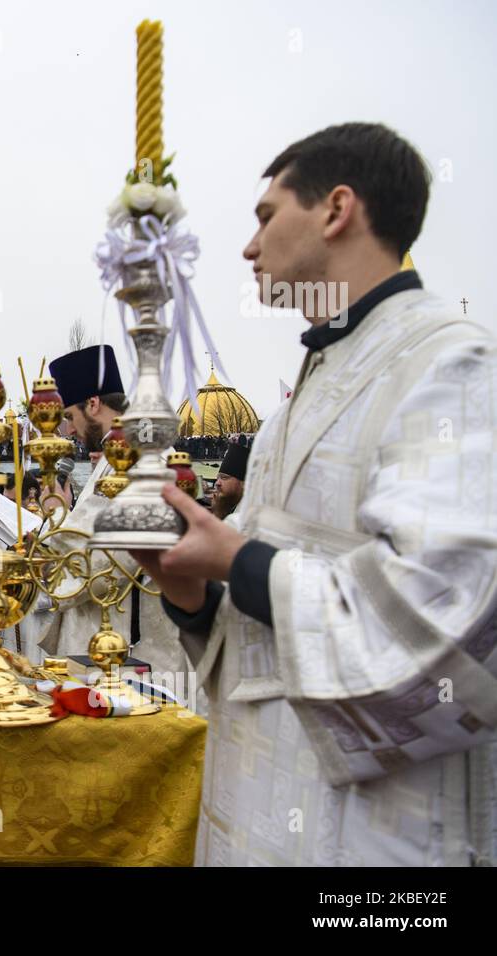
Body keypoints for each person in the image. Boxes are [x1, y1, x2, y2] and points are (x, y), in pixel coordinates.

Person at [134, 122, 497, 866]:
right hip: (264, 806)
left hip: (376, 839)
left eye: (267, 216)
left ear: (335, 210)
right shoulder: (307, 392)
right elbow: (272, 631)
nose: (248, 245)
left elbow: (447, 625)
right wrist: (192, 593)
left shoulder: (453, 365)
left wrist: (238, 560)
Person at [35, 344, 187, 678]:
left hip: (131, 654)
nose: (69, 430)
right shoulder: (115, 456)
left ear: (93, 404)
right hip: (106, 647)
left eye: (70, 418)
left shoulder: (141, 458)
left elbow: (108, 562)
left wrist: (49, 548)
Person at [211, 443, 248, 520]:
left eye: (224, 478)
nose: (217, 483)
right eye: (217, 478)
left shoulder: (247, 515)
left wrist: (218, 512)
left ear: (244, 483)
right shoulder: (232, 503)